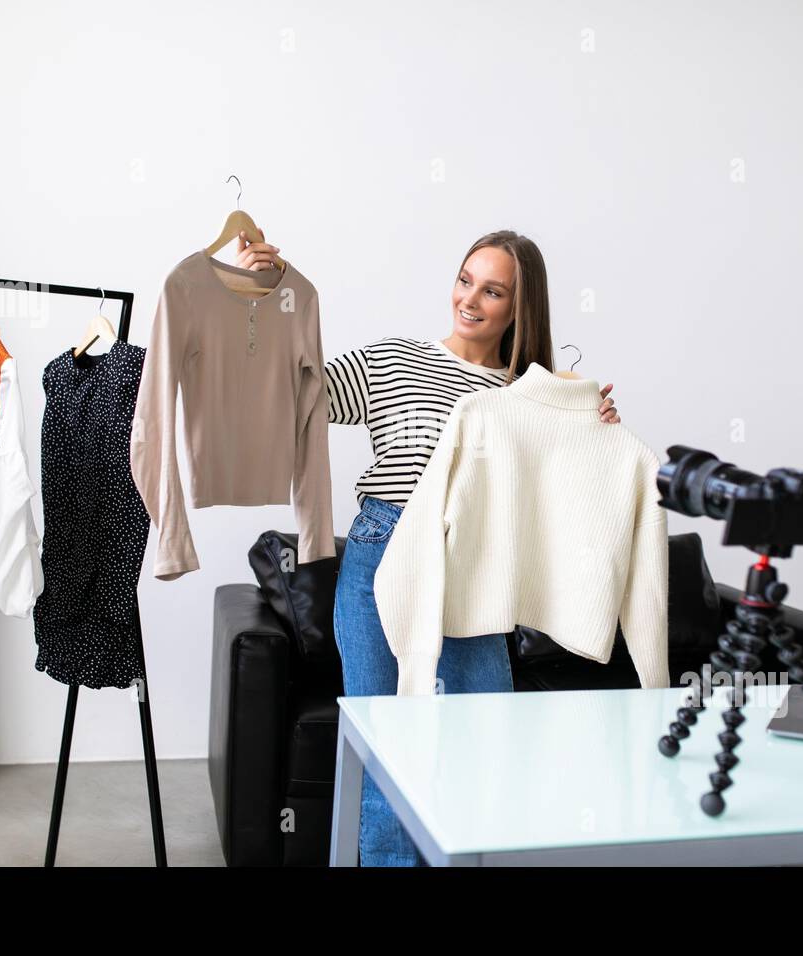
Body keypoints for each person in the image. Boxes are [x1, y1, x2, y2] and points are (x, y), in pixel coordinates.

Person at [236, 228, 621, 866]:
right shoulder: (391, 359)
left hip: (474, 570)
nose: (470, 300)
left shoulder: (532, 395)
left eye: (493, 290)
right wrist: (264, 301)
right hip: (381, 557)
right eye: (465, 279)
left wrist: (599, 431)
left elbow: (578, 499)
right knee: (390, 747)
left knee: (482, 743)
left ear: (518, 308)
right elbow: (294, 394)